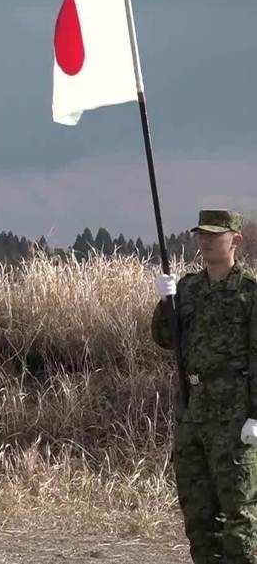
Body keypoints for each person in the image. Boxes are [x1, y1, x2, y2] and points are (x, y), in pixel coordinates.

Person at [153, 209, 257, 563]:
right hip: (194, 413)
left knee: (240, 517)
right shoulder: (189, 288)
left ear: (236, 240)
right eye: (202, 234)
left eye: (215, 234)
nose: (206, 240)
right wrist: (166, 302)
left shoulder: (249, 293)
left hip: (235, 416)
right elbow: (166, 339)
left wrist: (255, 416)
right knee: (198, 517)